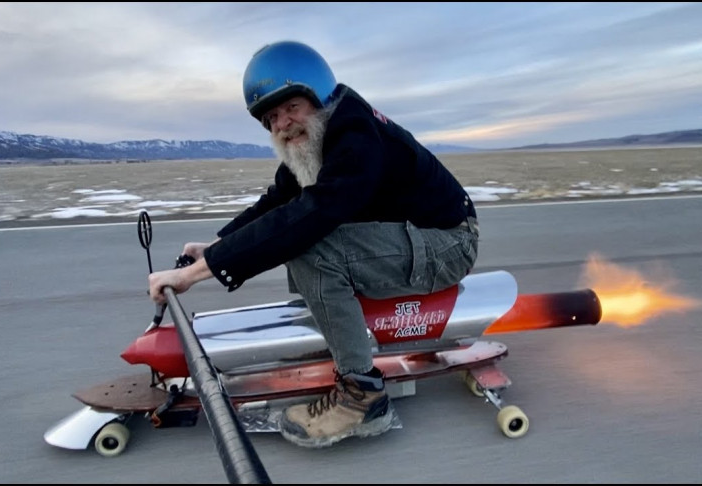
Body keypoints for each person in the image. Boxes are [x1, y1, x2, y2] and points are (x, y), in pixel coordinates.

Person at [148, 40, 479, 448]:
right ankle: (340, 340)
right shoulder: (314, 139)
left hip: (447, 244)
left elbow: (315, 213)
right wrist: (214, 244)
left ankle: (363, 395)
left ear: (318, 96)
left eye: (291, 107)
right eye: (271, 117)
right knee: (302, 239)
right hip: (412, 239)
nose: (283, 123)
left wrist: (200, 273)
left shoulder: (354, 131)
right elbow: (278, 201)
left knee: (310, 245)